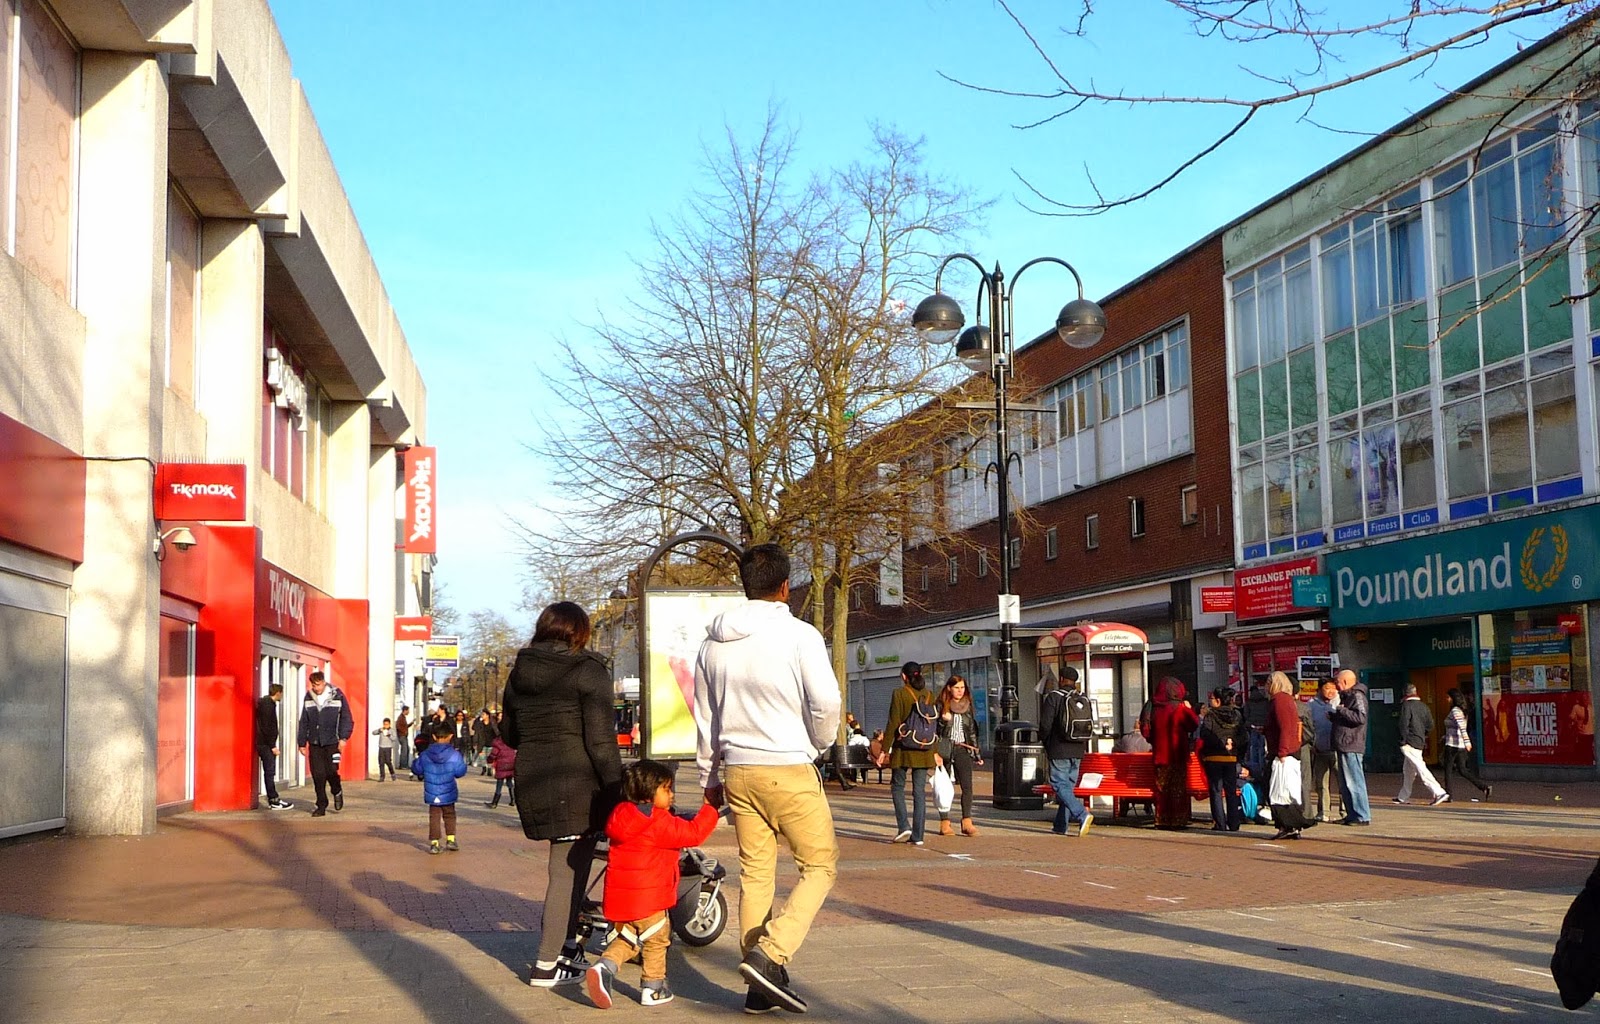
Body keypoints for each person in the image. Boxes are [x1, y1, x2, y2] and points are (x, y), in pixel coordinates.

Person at [693, 542, 841, 1015]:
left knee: (756, 873)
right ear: (785, 587)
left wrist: (708, 775)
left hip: (737, 769)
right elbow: (826, 702)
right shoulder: (800, 635)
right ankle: (771, 953)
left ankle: (759, 986)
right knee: (819, 866)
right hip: (787, 765)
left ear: (745, 586)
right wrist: (820, 743)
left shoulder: (712, 643)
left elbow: (705, 718)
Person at [500, 601, 623, 988]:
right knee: (564, 871)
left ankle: (568, 946)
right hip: (576, 779)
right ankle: (545, 965)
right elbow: (601, 742)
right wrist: (618, 789)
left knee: (577, 861)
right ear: (580, 632)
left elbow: (509, 733)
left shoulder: (519, 673)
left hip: (534, 776)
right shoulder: (588, 671)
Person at [585, 760, 721, 1009]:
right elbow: (694, 833)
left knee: (628, 939)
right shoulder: (659, 822)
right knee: (657, 940)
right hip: (650, 899)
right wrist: (711, 809)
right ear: (650, 792)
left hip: (620, 900)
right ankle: (653, 987)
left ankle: (605, 966)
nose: (672, 794)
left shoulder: (620, 815)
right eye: (667, 789)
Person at [885, 661, 938, 845]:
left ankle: (903, 826)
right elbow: (933, 725)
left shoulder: (899, 693)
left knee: (898, 787)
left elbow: (893, 722)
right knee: (919, 792)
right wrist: (935, 751)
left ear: (903, 676)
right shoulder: (930, 694)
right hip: (925, 749)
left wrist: (884, 750)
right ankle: (919, 835)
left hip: (903, 748)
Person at [1264, 671, 1318, 840]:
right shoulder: (1285, 700)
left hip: (1284, 753)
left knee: (1279, 790)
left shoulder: (1280, 700)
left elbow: (1287, 727)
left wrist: (1282, 751)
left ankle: (1289, 824)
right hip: (1287, 751)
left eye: (1268, 682)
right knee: (1284, 789)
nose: (1266, 686)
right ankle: (1289, 825)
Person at [1041, 667, 1094, 836]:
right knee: (1067, 788)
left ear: (1062, 679)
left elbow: (1045, 725)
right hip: (1078, 748)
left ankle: (1081, 814)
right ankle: (1060, 825)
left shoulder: (1054, 697)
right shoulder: (1083, 698)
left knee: (1059, 784)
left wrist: (1046, 743)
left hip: (1059, 747)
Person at [1142, 676, 1200, 830]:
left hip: (1160, 755)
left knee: (1162, 788)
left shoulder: (1152, 706)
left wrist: (1153, 741)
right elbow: (1193, 724)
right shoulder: (1179, 708)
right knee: (1178, 788)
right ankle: (1177, 819)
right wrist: (1188, 708)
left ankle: (1162, 819)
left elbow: (1145, 729)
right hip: (1178, 754)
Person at [296, 670, 353, 817]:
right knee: (318, 775)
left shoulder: (337, 695)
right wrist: (302, 742)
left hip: (333, 741)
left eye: (318, 685)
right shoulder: (308, 697)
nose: (316, 688)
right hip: (315, 742)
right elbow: (304, 721)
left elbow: (346, 718)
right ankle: (321, 804)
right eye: (314, 685)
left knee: (331, 771)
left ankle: (336, 790)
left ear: (324, 682)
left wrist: (343, 738)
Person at [935, 675, 981, 837]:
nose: (960, 691)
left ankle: (967, 821)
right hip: (945, 749)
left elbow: (972, 730)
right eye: (956, 687)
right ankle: (945, 822)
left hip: (963, 749)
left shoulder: (967, 705)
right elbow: (935, 731)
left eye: (962, 687)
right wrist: (943, 720)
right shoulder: (941, 704)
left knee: (967, 787)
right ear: (949, 688)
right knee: (944, 788)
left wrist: (976, 752)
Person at [412, 720, 469, 853]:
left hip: (432, 791)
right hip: (448, 791)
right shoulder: (454, 755)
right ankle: (451, 839)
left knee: (434, 816)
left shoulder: (425, 754)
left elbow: (417, 769)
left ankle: (435, 843)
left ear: (434, 737)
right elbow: (460, 772)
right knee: (449, 814)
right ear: (450, 736)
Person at [1197, 687, 1245, 832]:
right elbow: (1244, 737)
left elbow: (1205, 735)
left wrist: (1219, 744)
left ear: (1218, 700)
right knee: (1231, 790)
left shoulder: (1211, 716)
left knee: (1216, 791)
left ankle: (1220, 823)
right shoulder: (1236, 715)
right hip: (1231, 758)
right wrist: (1234, 747)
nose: (1210, 702)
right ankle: (1234, 823)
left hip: (1214, 757)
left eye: (1212, 699)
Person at [1394, 683, 1449, 806]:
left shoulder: (1406, 706)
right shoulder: (1424, 706)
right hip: (1419, 740)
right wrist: (1423, 734)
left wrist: (1403, 740)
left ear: (1405, 694)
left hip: (1409, 741)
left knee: (1420, 767)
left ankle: (1438, 791)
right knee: (1408, 770)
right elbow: (1430, 724)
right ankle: (1403, 796)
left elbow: (1403, 724)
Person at [1330, 668, 1372, 826]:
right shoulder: (1347, 696)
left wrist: (1341, 710)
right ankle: (1351, 814)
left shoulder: (1357, 696)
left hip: (1352, 744)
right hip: (1344, 744)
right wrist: (1335, 717)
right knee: (1345, 783)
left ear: (1346, 682)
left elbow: (1360, 717)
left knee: (1354, 781)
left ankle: (1362, 815)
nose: (1336, 686)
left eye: (1338, 682)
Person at [1441, 687, 1491, 802]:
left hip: (1453, 745)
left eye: (1448, 697)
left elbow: (1462, 728)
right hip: (1460, 744)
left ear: (1453, 698)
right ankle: (1483, 787)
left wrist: (1467, 741)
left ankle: (1449, 795)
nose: (1446, 699)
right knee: (1462, 770)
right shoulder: (1462, 710)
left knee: (1448, 770)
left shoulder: (1455, 711)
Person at [254, 683, 293, 810]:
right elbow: (267, 727)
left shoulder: (265, 704)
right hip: (265, 745)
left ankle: (273, 798)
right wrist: (272, 746)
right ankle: (274, 800)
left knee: (269, 772)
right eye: (281, 693)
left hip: (263, 743)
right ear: (278, 693)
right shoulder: (268, 707)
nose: (282, 696)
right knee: (270, 772)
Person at [1307, 680, 1340, 822]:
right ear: (1320, 689)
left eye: (1334, 688)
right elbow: (1308, 726)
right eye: (1327, 688)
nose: (1331, 692)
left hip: (1339, 750)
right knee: (1321, 783)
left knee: (1343, 782)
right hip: (1320, 749)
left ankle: (1345, 811)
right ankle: (1324, 811)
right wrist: (1312, 743)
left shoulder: (1341, 702)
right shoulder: (1311, 705)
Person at [485, 731, 517, 808]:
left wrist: (489, 760)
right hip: (511, 764)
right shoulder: (511, 741)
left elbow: (493, 755)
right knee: (509, 782)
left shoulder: (498, 743)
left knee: (499, 784)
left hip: (502, 766)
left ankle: (494, 803)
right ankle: (513, 800)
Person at [372, 717, 397, 781]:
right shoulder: (381, 730)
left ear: (389, 724)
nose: (385, 725)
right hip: (381, 747)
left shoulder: (392, 730)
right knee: (381, 762)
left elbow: (394, 738)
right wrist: (379, 730)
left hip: (388, 747)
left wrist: (389, 735)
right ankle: (382, 776)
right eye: (384, 724)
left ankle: (392, 773)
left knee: (388, 761)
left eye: (387, 724)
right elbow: (373, 733)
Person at [394, 705, 411, 772]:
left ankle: (405, 764)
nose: (408, 712)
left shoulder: (403, 718)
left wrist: (410, 724)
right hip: (402, 736)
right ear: (405, 710)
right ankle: (403, 765)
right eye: (408, 710)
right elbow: (398, 726)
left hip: (404, 736)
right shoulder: (400, 718)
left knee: (407, 749)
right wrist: (404, 731)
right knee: (404, 750)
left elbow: (404, 726)